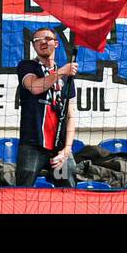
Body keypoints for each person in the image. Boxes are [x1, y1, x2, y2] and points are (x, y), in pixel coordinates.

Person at [16, 27, 79, 187]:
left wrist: (66, 150)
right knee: (23, 191)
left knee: (66, 191)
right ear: (33, 46)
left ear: (56, 43)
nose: (43, 42)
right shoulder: (27, 66)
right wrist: (60, 72)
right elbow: (35, 87)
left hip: (58, 150)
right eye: (37, 40)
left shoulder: (67, 77)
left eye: (48, 38)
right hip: (32, 146)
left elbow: (71, 115)